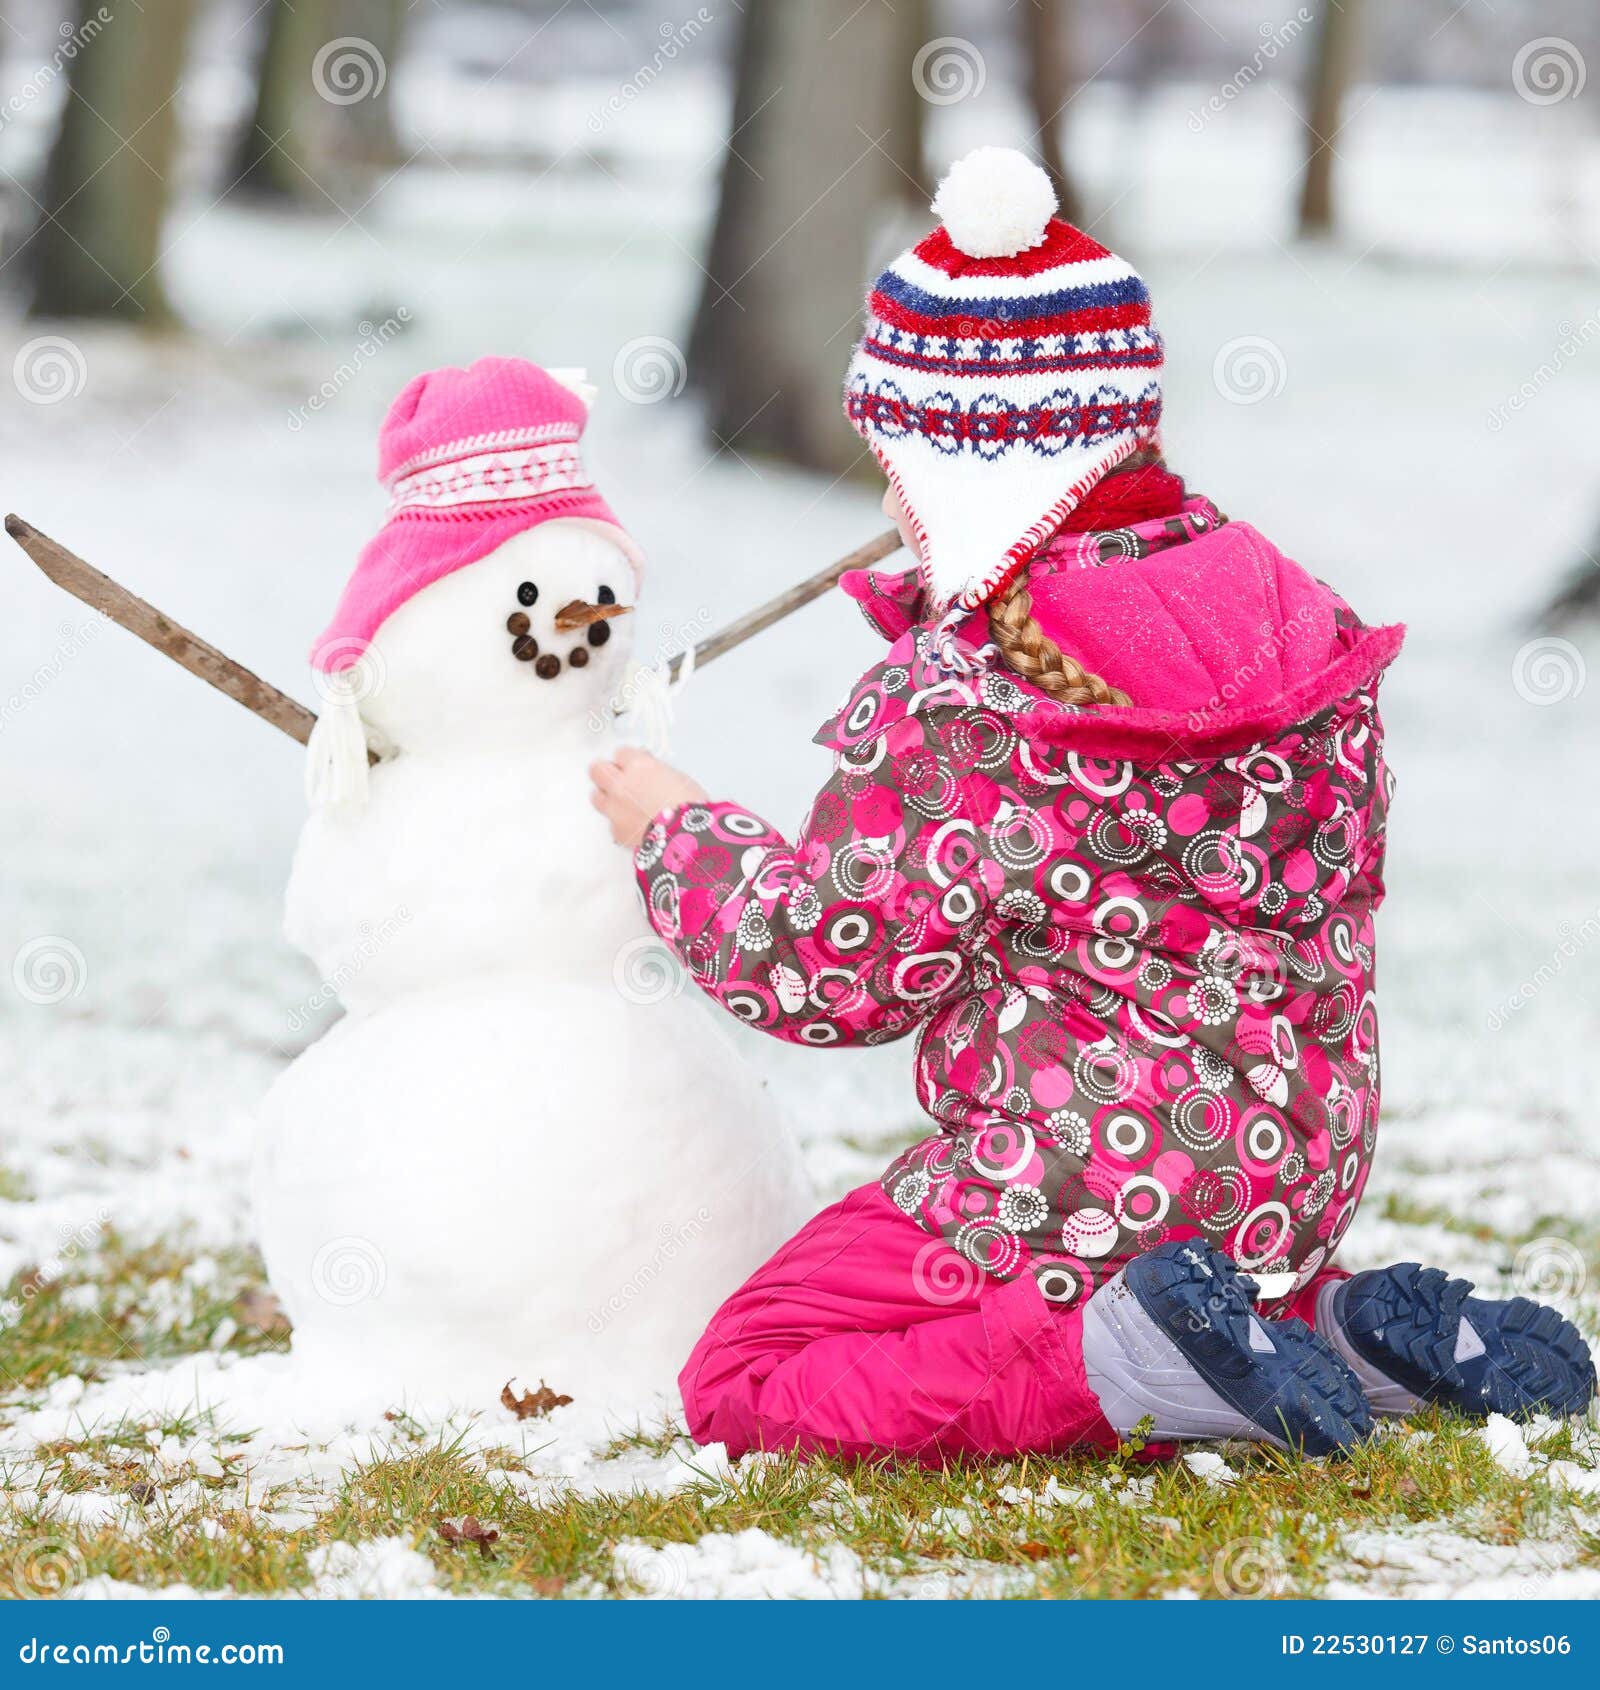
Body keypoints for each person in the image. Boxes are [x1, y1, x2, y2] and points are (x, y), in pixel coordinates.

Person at [589, 149, 1595, 1462]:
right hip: (1292, 1167)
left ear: (958, 473)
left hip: (1087, 1184)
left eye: (897, 457)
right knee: (1184, 1253)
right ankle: (1325, 1333)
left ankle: (1119, 1356)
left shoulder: (972, 702)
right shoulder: (1288, 609)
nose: (887, 496)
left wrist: (680, 830)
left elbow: (831, 970)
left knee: (750, 1370)